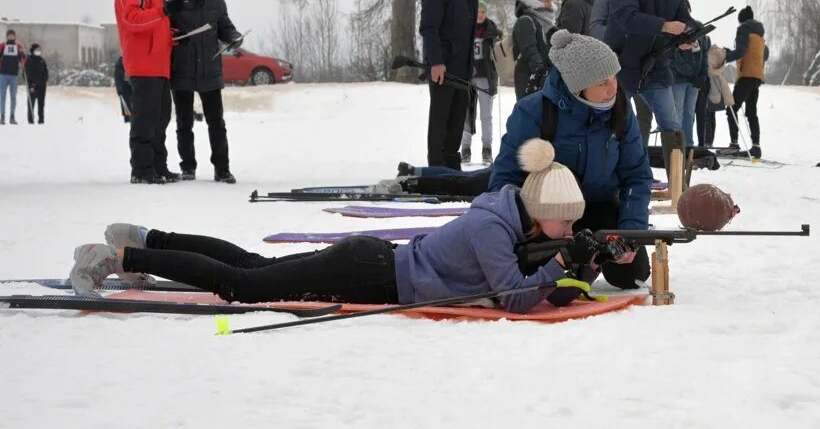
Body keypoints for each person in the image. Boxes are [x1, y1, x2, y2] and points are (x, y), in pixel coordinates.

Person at [68, 138, 607, 314]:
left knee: (255, 266)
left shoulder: (510, 212)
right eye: (565, 221)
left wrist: (589, 261)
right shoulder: (493, 229)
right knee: (245, 285)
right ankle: (116, 258)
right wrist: (564, 262)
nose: (567, 229)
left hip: (373, 262)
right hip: (371, 272)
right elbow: (515, 297)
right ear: (542, 210)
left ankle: (147, 239)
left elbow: (537, 278)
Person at [491, 30, 652, 289]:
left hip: (598, 206)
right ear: (578, 85)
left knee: (631, 274)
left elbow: (637, 175)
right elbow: (505, 179)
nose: (612, 88)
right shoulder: (533, 111)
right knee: (545, 277)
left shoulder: (621, 109)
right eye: (602, 82)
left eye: (614, 77)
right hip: (547, 215)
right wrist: (526, 228)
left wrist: (630, 233)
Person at [604, 0, 699, 188]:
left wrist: (687, 34)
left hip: (656, 65)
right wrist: (664, 26)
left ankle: (678, 185)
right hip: (621, 64)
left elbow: (683, 16)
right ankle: (617, 180)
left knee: (672, 125)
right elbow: (626, 17)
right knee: (619, 124)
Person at [164, 0, 243, 183]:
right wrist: (174, 35)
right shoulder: (171, 0)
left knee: (216, 123)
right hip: (181, 69)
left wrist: (233, 37)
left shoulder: (217, 1)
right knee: (184, 123)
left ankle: (222, 169)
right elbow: (162, 31)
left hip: (210, 70)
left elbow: (225, 27)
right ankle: (188, 167)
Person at [114, 0, 180, 184]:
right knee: (145, 119)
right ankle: (141, 170)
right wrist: (163, 12)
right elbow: (132, 20)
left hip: (160, 66)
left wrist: (173, 37)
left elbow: (155, 26)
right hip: (143, 65)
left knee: (161, 118)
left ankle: (158, 166)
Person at [420, 0, 479, 169]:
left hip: (463, 70)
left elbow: (469, 34)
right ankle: (437, 167)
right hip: (442, 69)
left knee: (457, 121)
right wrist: (436, 62)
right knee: (441, 119)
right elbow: (429, 28)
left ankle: (453, 167)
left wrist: (471, 64)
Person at [589, 0, 655, 148]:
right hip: (616, 63)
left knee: (645, 116)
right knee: (619, 112)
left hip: (645, 65)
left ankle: (640, 155)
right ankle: (618, 154)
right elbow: (596, 26)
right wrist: (621, 38)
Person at [724, 5, 769, 158]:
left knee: (731, 108)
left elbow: (740, 51)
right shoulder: (760, 35)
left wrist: (725, 57)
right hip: (757, 77)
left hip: (746, 75)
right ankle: (756, 146)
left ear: (741, 20)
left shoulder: (743, 29)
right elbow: (766, 54)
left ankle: (734, 144)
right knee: (751, 112)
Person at [461, 0, 500, 165]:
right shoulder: (465, 29)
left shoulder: (492, 30)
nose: (480, 15)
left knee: (486, 115)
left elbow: (499, 54)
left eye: (483, 12)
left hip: (486, 77)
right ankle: (465, 149)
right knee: (467, 115)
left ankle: (487, 148)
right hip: (468, 77)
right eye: (478, 11)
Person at [669, 3, 709, 148]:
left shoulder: (698, 28)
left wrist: (702, 74)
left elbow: (704, 54)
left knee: (689, 114)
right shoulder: (674, 30)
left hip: (695, 82)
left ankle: (688, 145)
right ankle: (677, 147)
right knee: (677, 113)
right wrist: (690, 74)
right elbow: (674, 58)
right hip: (678, 80)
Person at [512, 0, 556, 100]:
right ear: (534, 1)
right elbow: (530, 52)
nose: (550, 5)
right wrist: (543, 74)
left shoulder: (548, 23)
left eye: (551, 1)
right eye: (546, 1)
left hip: (544, 78)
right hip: (530, 78)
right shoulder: (526, 21)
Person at [697, 45, 734, 147]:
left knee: (708, 115)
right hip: (710, 87)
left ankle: (707, 141)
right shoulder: (717, 54)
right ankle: (707, 141)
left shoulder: (714, 52)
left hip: (710, 87)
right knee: (708, 115)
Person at [0, 29, 25, 124]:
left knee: (13, 96)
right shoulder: (2, 45)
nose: (11, 37)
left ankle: (12, 116)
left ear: (14, 36)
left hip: (14, 75)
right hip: (3, 74)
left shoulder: (18, 46)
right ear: (7, 36)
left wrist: (22, 55)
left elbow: (23, 60)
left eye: (12, 35)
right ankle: (2, 116)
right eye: (9, 35)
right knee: (2, 96)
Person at [24, 43, 48, 125]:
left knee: (41, 103)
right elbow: (27, 74)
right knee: (31, 102)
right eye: (37, 50)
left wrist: (45, 80)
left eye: (39, 50)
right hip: (32, 85)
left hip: (42, 86)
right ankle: (30, 120)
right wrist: (31, 83)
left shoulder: (42, 60)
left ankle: (41, 120)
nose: (38, 51)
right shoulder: (29, 60)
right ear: (32, 50)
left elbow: (45, 72)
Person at [113, 56, 132, 123]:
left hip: (136, 87)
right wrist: (119, 89)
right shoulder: (121, 61)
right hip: (125, 88)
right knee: (128, 108)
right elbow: (118, 77)